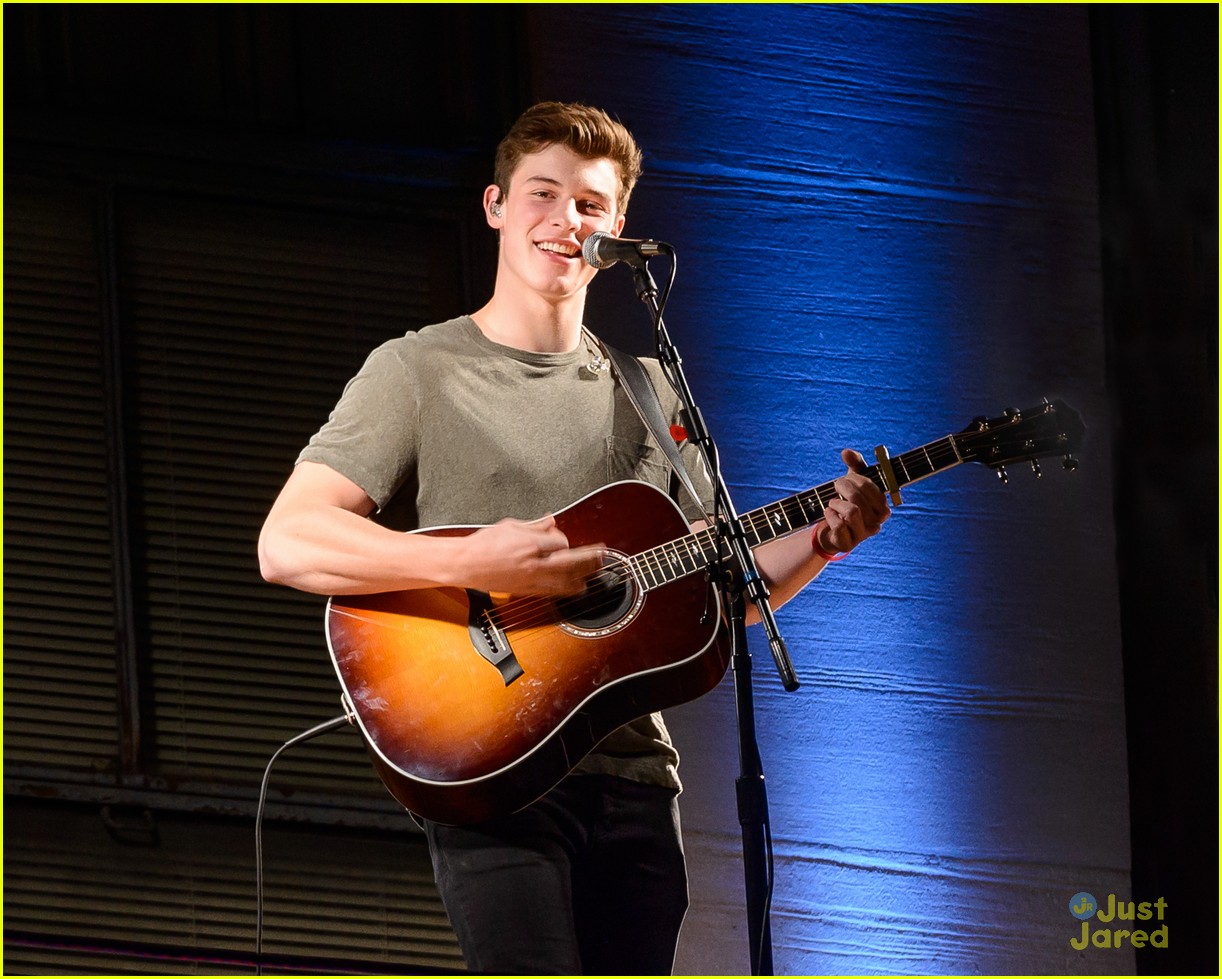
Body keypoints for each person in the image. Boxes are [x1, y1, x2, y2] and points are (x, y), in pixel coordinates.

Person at [258, 101, 889, 975]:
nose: (566, 220)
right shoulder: (416, 369)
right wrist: (469, 560)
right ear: (495, 207)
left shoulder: (650, 391)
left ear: (617, 227)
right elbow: (288, 541)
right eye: (541, 194)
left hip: (634, 783)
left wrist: (825, 541)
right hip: (490, 762)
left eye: (589, 204)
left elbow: (723, 591)